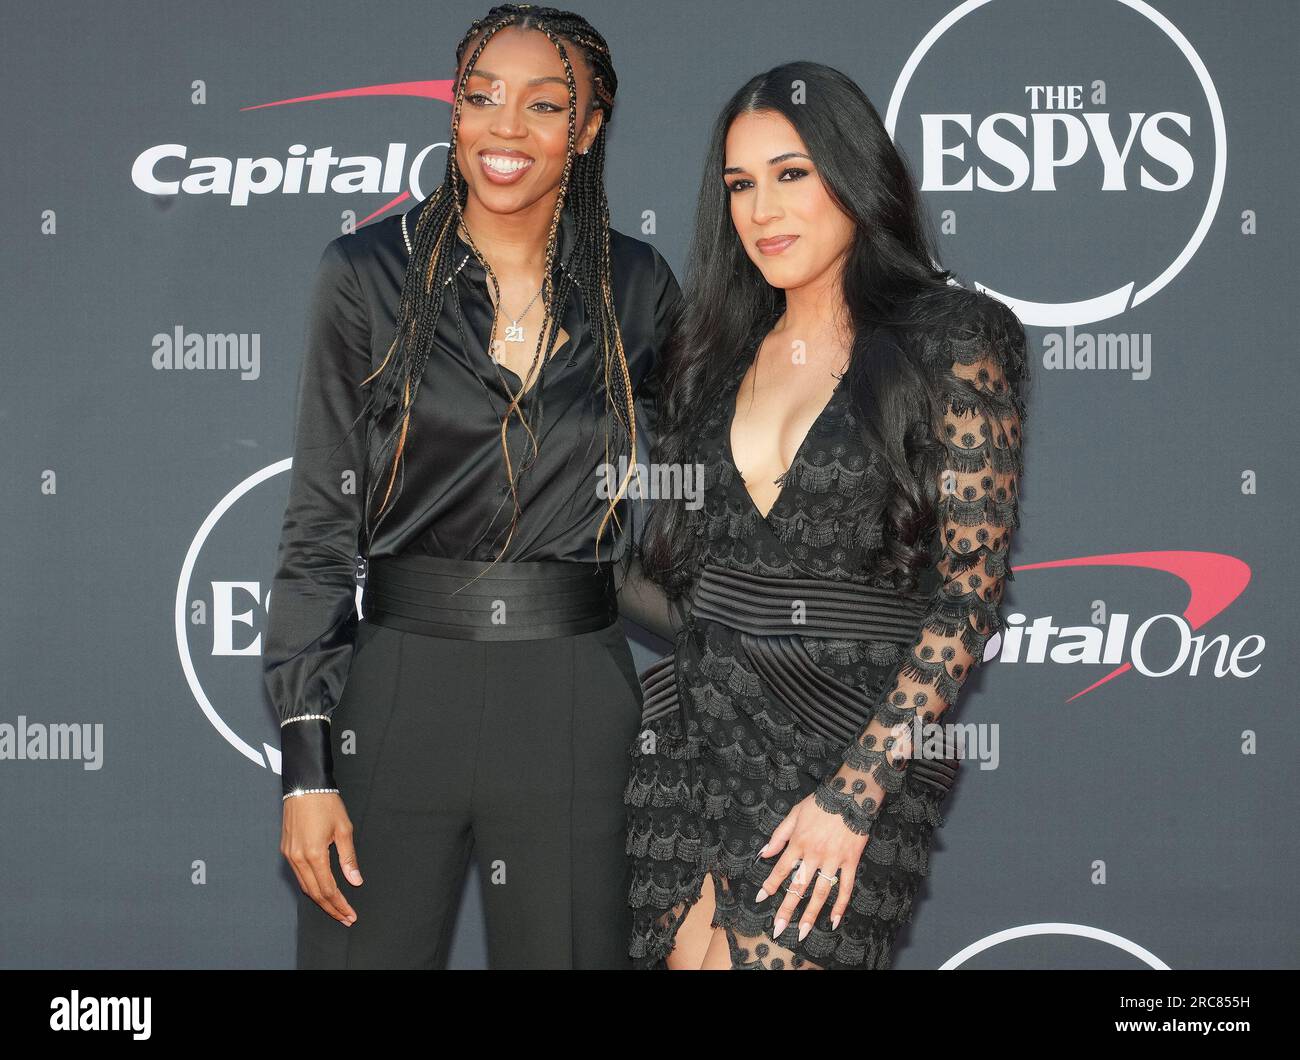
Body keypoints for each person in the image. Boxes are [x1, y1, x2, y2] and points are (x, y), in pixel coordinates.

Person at [262, 4, 681, 969]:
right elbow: (321, 524)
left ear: (587, 129)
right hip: (401, 690)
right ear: (453, 111)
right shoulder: (364, 273)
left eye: (542, 106)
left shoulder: (639, 287)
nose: (504, 128)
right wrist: (307, 769)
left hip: (576, 697)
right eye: (481, 97)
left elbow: (721, 466)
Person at [624, 61, 1031, 969]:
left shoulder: (952, 339)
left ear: (855, 176)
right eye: (740, 185)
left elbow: (969, 590)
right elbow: (684, 570)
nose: (762, 209)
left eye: (791, 174)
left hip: (855, 744)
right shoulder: (708, 357)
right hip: (695, 741)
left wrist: (853, 795)